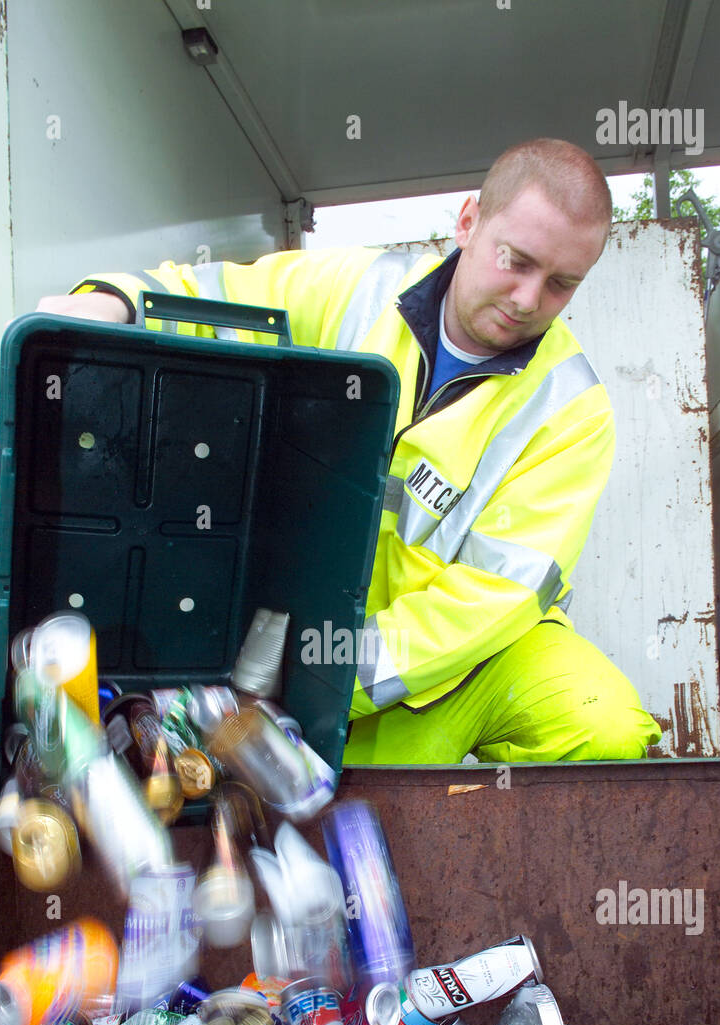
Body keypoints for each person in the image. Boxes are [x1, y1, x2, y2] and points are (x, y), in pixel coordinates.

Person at [38, 137, 663, 766]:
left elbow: (491, 601)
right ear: (469, 221)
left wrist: (324, 677)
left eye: (560, 284)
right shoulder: (357, 290)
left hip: (459, 668)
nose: (528, 299)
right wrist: (117, 301)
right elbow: (214, 295)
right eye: (515, 260)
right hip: (299, 639)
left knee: (602, 726)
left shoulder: (571, 412)